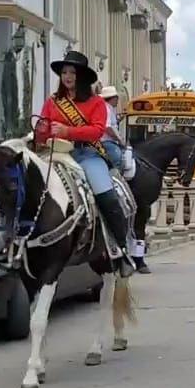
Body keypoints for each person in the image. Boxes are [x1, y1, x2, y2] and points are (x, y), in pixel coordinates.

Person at [37, 51, 134, 277]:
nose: (67, 77)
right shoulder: (52, 102)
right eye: (64, 72)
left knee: (106, 195)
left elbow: (97, 130)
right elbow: (42, 125)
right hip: (55, 153)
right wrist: (41, 132)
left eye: (72, 72)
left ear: (82, 77)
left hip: (87, 154)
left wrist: (67, 130)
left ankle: (121, 250)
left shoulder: (96, 103)